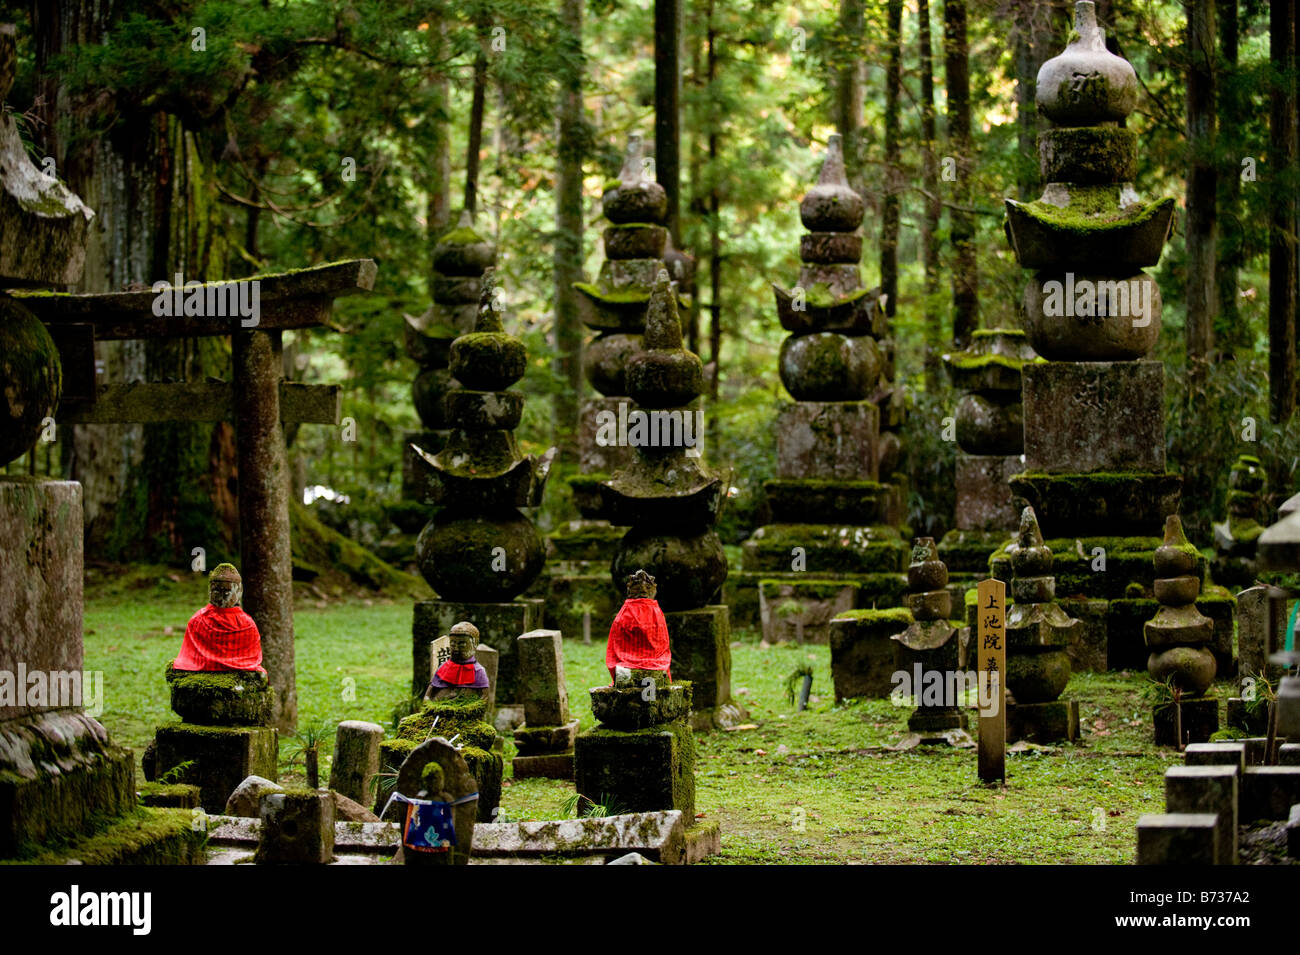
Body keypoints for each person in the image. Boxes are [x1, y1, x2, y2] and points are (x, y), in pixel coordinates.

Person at [172, 563, 265, 674]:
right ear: (209, 591)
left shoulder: (247, 624)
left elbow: (251, 658)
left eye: (227, 592)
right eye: (216, 591)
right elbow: (189, 656)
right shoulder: (197, 620)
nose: (222, 596)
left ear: (239, 592)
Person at [606, 569, 671, 683]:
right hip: (654, 665)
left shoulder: (625, 614)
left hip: (626, 666)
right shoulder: (655, 612)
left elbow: (615, 644)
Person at [425, 621, 490, 700]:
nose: (455, 648)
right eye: (452, 644)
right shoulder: (444, 668)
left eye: (462, 644)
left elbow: (485, 697)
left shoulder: (478, 671)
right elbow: (428, 695)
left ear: (475, 643)